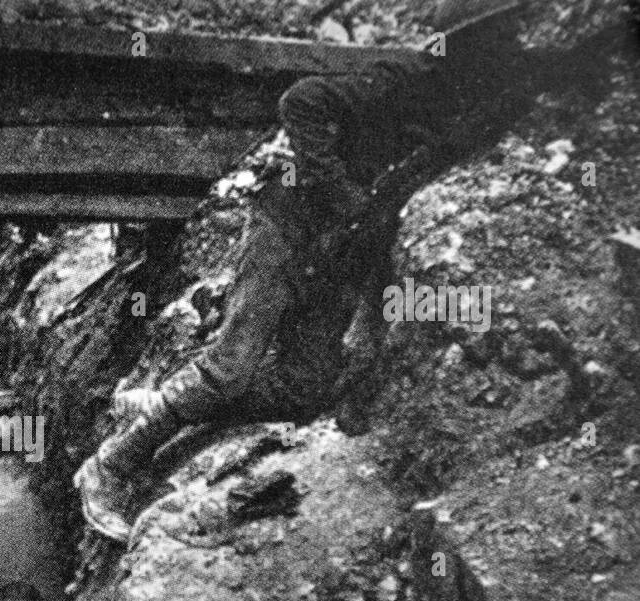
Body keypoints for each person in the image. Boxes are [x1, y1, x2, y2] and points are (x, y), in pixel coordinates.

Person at [74, 0, 526, 541]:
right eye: (501, 39)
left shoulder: (474, 107)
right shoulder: (405, 80)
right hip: (287, 218)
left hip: (339, 247)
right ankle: (110, 465)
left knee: (303, 387)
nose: (511, 50)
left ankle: (167, 404)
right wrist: (339, 190)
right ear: (468, 49)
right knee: (231, 367)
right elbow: (301, 100)